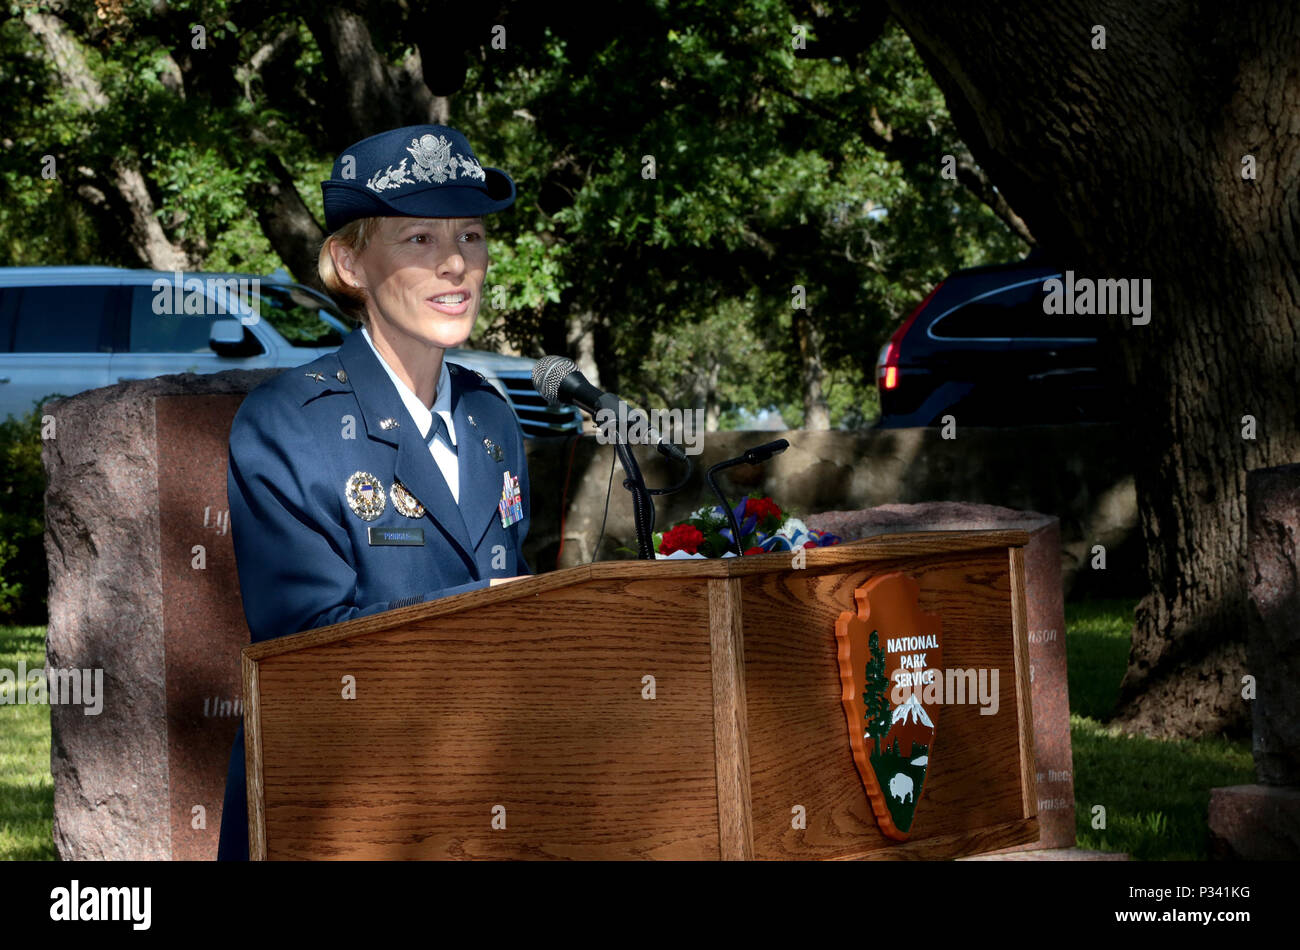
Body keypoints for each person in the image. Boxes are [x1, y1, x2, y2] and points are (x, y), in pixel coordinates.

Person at [216, 124, 530, 860]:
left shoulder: (491, 416)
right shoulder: (289, 422)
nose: (457, 263)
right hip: (340, 810)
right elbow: (313, 648)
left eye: (473, 236)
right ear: (348, 262)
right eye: (419, 238)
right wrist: (516, 616)